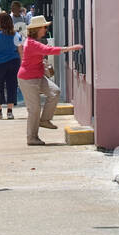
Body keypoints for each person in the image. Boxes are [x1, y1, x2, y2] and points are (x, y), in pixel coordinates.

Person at [17, 15, 82, 145]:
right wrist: (69, 48)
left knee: (55, 92)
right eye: (44, 27)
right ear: (37, 29)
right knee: (34, 109)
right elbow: (49, 50)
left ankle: (44, 120)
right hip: (28, 79)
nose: (46, 29)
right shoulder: (32, 43)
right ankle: (32, 138)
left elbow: (41, 52)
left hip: (38, 76)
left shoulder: (33, 42)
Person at [0, 10, 21, 121]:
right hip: (14, 62)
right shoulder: (16, 35)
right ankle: (10, 111)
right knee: (12, 85)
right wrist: (22, 63)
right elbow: (20, 51)